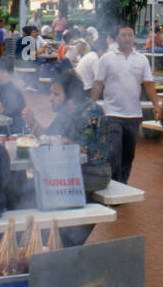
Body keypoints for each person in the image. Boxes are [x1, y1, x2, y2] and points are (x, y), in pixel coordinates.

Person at [91, 23, 161, 183]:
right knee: (114, 152)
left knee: (129, 154)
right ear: (117, 38)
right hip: (112, 113)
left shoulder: (142, 59)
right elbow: (98, 83)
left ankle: (123, 183)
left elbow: (148, 84)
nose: (127, 38)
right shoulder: (106, 58)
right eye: (123, 35)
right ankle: (115, 182)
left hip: (134, 115)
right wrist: (91, 105)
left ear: (134, 38)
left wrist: (157, 105)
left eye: (130, 35)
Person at [40, 70, 112, 199]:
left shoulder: (92, 112)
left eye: (56, 94)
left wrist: (60, 140)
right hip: (71, 170)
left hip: (94, 174)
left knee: (45, 186)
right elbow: (47, 136)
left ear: (70, 98)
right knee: (36, 181)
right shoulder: (64, 113)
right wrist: (31, 120)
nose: (50, 98)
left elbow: (84, 148)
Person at [0, 56, 28, 132]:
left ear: (10, 74)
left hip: (12, 128)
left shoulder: (13, 90)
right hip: (0, 126)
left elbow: (1, 112)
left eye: (3, 72)